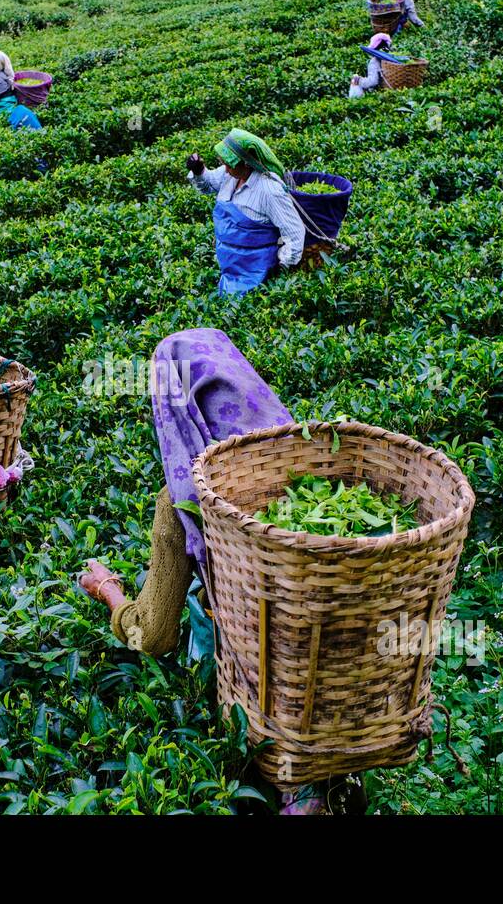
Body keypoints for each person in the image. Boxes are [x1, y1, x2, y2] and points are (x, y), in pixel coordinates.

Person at [76, 328, 325, 814]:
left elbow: (152, 635)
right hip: (349, 683)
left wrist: (107, 590)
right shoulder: (313, 460)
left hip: (271, 706)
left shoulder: (184, 503)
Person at [186, 129, 304, 295]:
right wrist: (199, 171)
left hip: (257, 273)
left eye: (229, 164)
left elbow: (294, 233)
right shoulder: (230, 175)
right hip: (230, 267)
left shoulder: (269, 190)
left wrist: (282, 269)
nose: (225, 169)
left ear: (247, 163)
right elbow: (208, 186)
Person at [349, 32, 394, 98]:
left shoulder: (374, 61)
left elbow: (373, 82)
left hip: (386, 93)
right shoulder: (392, 56)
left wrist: (358, 80)